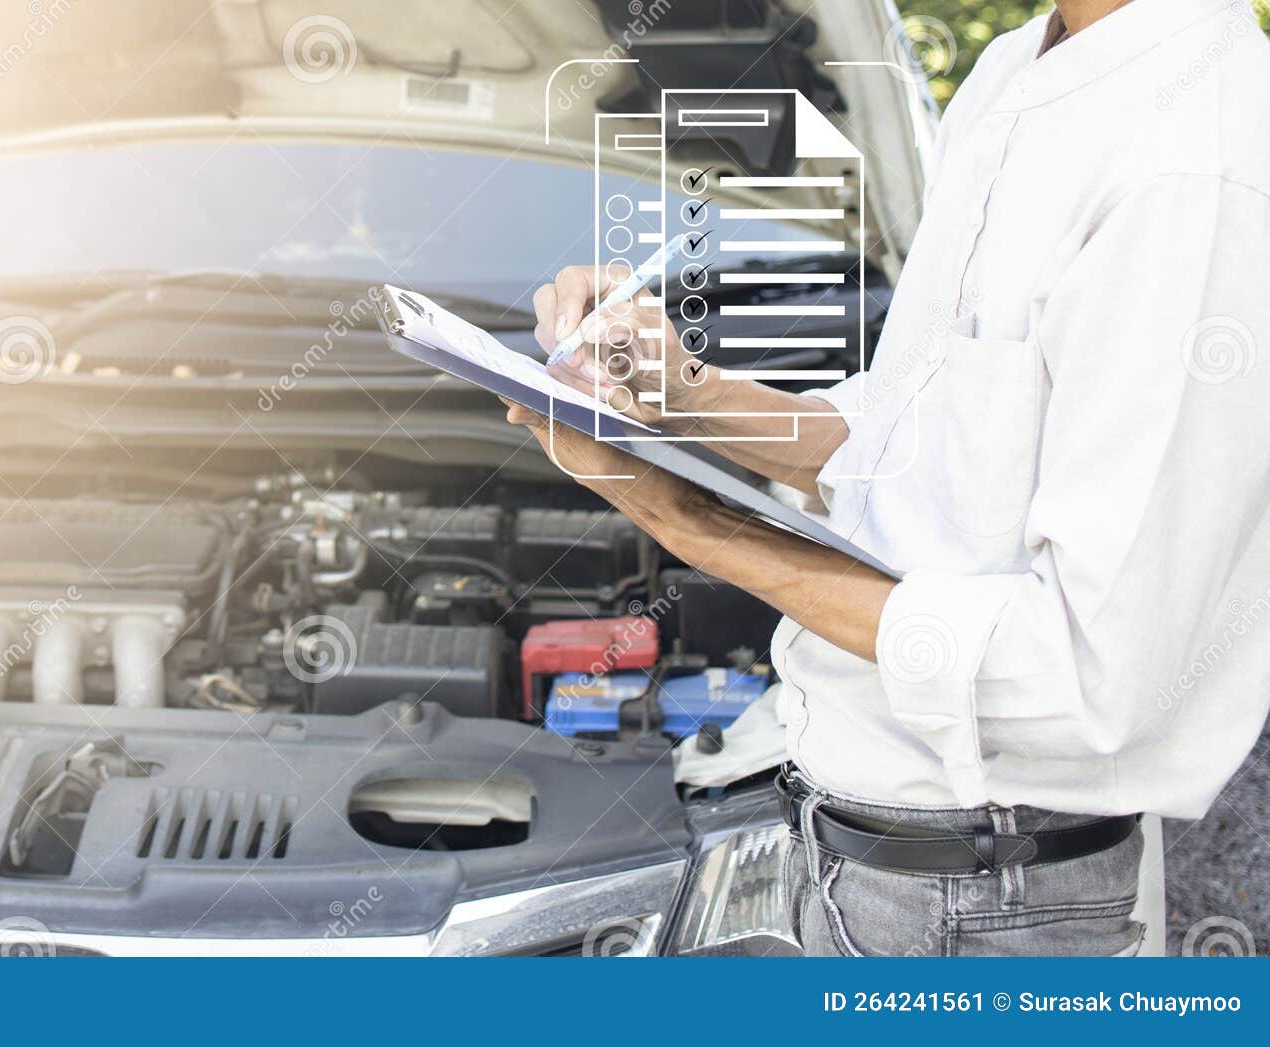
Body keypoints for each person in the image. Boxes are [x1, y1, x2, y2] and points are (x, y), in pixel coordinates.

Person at [507, 0, 1270, 956]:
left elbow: (1086, 676)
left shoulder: (1198, 160)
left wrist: (685, 517)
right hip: (853, 856)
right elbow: (914, 435)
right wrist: (686, 394)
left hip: (992, 906)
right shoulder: (1008, 73)